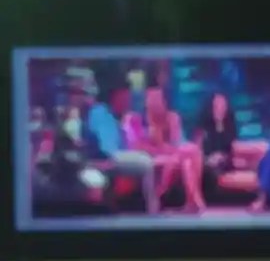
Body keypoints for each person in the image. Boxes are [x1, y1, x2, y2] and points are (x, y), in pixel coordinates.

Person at [125, 86, 206, 211]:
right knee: (189, 154)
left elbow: (175, 144)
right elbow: (135, 147)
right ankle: (195, 199)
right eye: (151, 99)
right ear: (146, 101)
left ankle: (191, 201)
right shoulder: (136, 120)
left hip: (172, 157)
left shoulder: (172, 118)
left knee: (188, 160)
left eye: (158, 99)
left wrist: (165, 148)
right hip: (147, 158)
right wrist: (161, 148)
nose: (155, 103)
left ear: (164, 102)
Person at [83, 85, 159, 213]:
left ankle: (145, 207)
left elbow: (123, 144)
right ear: (115, 97)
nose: (127, 102)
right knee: (146, 162)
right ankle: (152, 210)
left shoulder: (115, 116)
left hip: (115, 155)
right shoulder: (99, 112)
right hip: (106, 158)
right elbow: (105, 147)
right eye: (124, 98)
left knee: (147, 158)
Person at [196, 92, 237, 181]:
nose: (220, 109)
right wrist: (208, 160)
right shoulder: (203, 127)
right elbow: (197, 151)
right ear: (211, 108)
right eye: (217, 106)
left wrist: (222, 157)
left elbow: (232, 149)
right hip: (206, 166)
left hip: (225, 165)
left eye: (223, 106)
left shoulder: (230, 126)